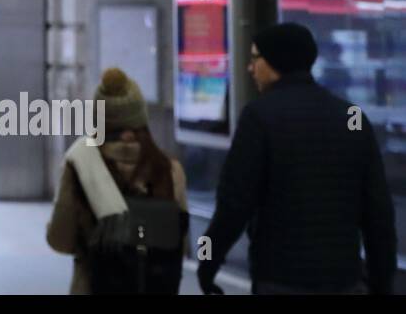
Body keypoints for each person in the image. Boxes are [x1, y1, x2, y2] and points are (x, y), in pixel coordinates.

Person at [198, 22, 397, 295]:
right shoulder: (351, 117)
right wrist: (382, 282)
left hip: (280, 280)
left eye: (256, 58)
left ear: (275, 61)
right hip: (344, 280)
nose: (250, 67)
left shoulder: (259, 116)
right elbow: (378, 213)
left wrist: (206, 262)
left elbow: (233, 205)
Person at [46, 68, 188, 294]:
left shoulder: (80, 164)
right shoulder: (170, 170)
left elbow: (60, 240)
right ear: (140, 119)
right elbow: (182, 243)